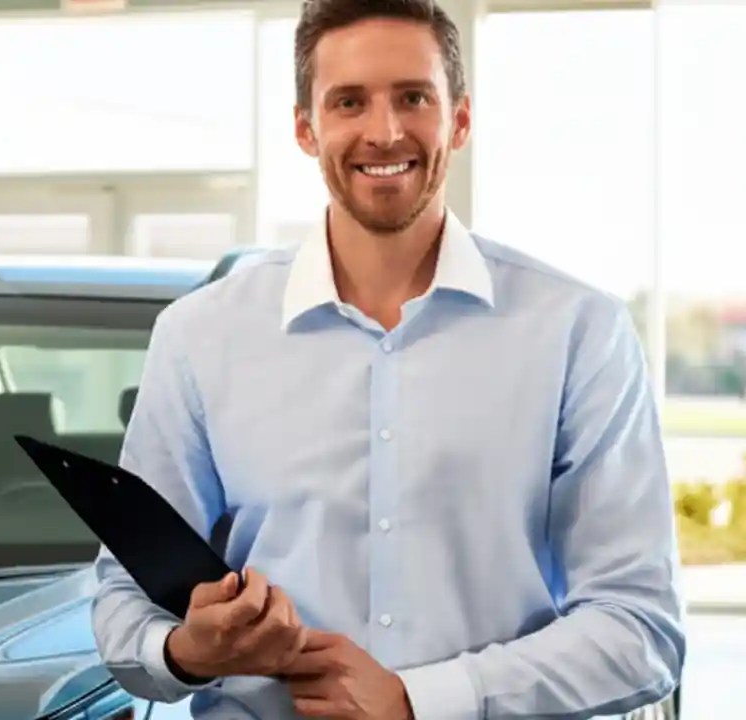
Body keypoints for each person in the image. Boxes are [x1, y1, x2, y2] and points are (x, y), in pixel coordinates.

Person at [91, 0, 686, 718]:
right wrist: (190, 650)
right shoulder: (199, 336)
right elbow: (123, 603)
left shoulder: (578, 332)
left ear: (459, 118)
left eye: (413, 97)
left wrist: (419, 701)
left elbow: (640, 628)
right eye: (349, 102)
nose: (384, 131)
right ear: (306, 129)